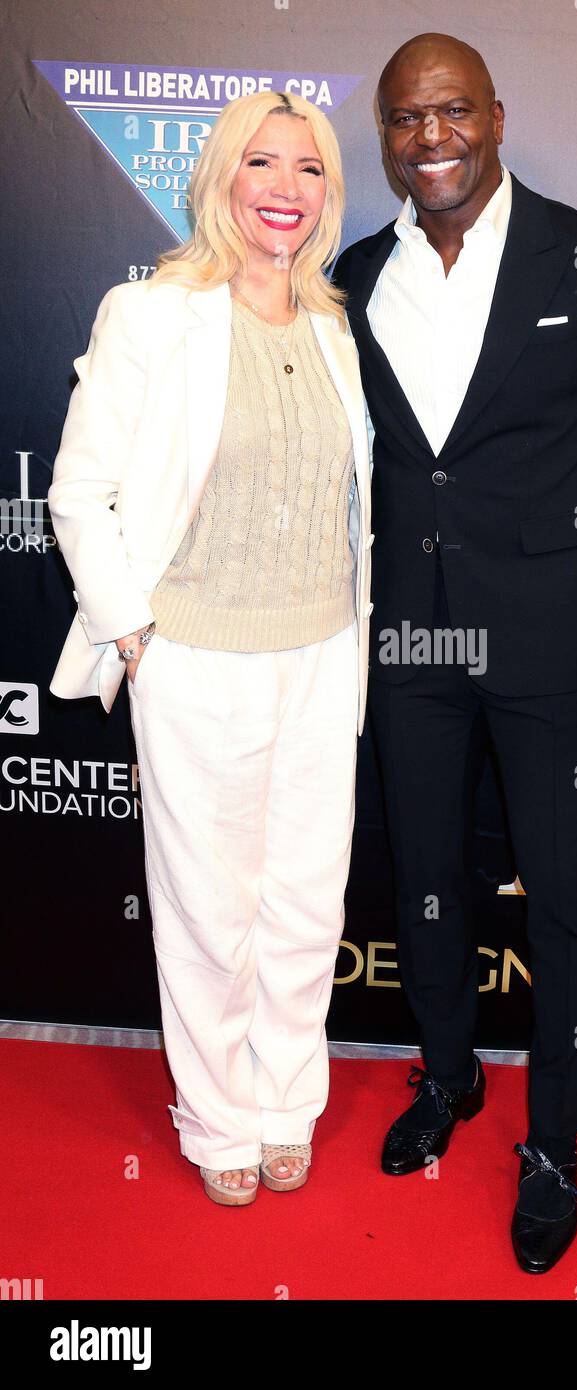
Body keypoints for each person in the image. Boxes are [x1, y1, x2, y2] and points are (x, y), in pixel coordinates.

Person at [332, 33, 577, 1272]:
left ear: (494, 116)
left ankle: (553, 1142)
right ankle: (444, 1076)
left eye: (448, 112)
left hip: (553, 642)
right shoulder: (353, 273)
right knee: (423, 869)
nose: (427, 138)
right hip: (415, 635)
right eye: (402, 119)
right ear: (380, 135)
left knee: (558, 904)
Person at [48, 90, 373, 1206]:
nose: (285, 190)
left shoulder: (333, 327)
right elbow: (80, 493)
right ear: (222, 179)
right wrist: (135, 630)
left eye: (310, 170)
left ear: (328, 194)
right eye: (262, 165)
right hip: (193, 656)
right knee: (204, 907)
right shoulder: (151, 314)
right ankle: (216, 1114)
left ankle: (287, 1101)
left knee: (304, 902)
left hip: (324, 652)